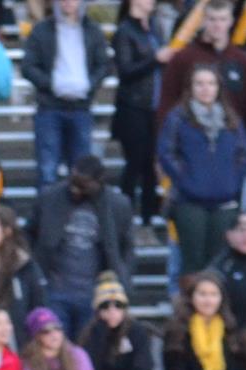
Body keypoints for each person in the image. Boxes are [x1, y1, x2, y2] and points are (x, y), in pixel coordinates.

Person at [25, 156, 133, 339]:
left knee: (89, 352)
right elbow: (29, 234)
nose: (74, 189)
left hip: (95, 293)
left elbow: (126, 248)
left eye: (82, 185)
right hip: (55, 290)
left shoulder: (118, 205)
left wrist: (123, 279)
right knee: (55, 350)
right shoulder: (49, 198)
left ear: (98, 183)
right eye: (72, 183)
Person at [160, 65, 246, 279]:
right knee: (192, 265)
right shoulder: (178, 118)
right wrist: (186, 178)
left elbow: (243, 153)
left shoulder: (231, 119)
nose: (205, 89)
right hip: (189, 203)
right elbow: (166, 152)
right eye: (199, 83)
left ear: (219, 87)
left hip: (225, 203)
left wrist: (232, 181)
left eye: (211, 83)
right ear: (190, 87)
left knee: (220, 265)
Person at [21, 0, 111, 185]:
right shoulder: (41, 30)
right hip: (49, 108)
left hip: (81, 108)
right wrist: (52, 84)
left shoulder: (93, 30)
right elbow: (28, 66)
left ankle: (80, 213)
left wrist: (89, 84)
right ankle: (48, 213)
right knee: (47, 170)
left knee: (82, 172)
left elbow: (104, 65)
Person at [156, 0, 246, 127]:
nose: (217, 25)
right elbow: (167, 101)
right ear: (203, 21)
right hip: (190, 136)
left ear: (231, 21)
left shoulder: (243, 60)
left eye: (222, 19)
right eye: (212, 19)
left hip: (232, 137)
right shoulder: (183, 58)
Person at [109, 0, 158, 223]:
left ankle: (148, 219)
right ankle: (125, 220)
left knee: (150, 167)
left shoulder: (153, 27)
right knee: (135, 164)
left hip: (153, 108)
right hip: (133, 108)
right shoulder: (125, 31)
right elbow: (125, 70)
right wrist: (155, 59)